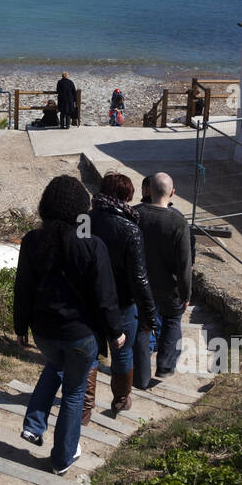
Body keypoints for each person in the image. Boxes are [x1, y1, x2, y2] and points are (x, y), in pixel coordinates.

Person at [14, 175, 125, 475]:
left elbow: (22, 287)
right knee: (74, 392)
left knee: (54, 366)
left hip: (44, 332)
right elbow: (105, 297)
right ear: (81, 210)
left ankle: (34, 425)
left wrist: (20, 327)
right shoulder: (92, 245)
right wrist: (116, 332)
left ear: (45, 205)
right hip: (80, 335)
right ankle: (62, 458)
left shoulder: (32, 241)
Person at [88, 172, 157, 407]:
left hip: (89, 297)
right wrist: (149, 315)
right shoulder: (131, 229)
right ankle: (120, 398)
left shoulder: (84, 220)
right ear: (126, 196)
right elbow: (139, 277)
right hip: (122, 302)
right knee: (123, 351)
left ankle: (84, 404)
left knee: (90, 351)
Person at [132, 173, 194, 379]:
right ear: (172, 192)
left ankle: (141, 375)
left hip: (139, 283)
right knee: (172, 320)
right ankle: (165, 366)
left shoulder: (134, 214)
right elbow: (185, 264)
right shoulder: (178, 222)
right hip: (169, 286)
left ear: (148, 190)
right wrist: (186, 294)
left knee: (143, 325)